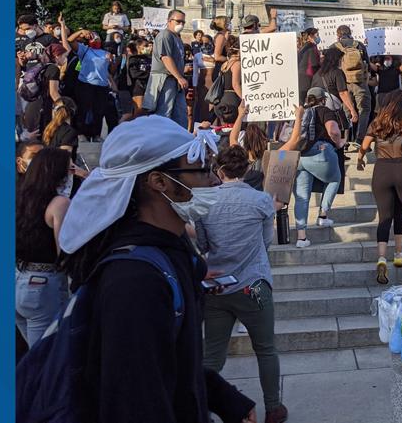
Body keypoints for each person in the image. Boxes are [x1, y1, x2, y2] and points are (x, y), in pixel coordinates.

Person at [52, 116, 257, 423]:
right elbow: (134, 401)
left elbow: (169, 360)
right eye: (201, 170)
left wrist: (223, 398)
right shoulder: (135, 281)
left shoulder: (170, 252)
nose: (214, 180)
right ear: (159, 182)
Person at [196, 146, 288, 423]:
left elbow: (202, 245)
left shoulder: (206, 202)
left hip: (216, 287)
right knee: (266, 348)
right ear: (246, 170)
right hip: (254, 285)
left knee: (212, 354)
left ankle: (198, 404)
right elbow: (266, 241)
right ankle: (273, 407)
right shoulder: (260, 201)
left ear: (219, 171)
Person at [357, 94, 402, 283]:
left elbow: (364, 145)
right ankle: (398, 254)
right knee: (399, 212)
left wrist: (359, 159)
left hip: (381, 171)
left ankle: (381, 258)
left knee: (384, 216)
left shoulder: (376, 123)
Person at [16, 147, 73, 347]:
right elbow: (64, 250)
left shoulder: (21, 195)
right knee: (45, 358)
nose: (71, 173)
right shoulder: (59, 203)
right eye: (69, 169)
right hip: (43, 285)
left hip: (18, 279)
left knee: (34, 356)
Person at [289, 88, 345, 247]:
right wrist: (339, 142)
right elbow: (333, 130)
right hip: (321, 153)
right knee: (335, 179)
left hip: (301, 156)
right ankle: (323, 216)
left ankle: (301, 237)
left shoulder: (302, 112)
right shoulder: (324, 110)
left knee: (301, 197)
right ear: (323, 99)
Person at [144, 9, 190, 128]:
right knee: (164, 113)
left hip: (175, 80)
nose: (181, 25)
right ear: (169, 21)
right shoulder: (165, 35)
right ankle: (160, 142)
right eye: (178, 21)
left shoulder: (177, 38)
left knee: (180, 115)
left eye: (183, 22)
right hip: (165, 78)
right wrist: (179, 77)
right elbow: (166, 58)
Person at [334, 25, 371, 147]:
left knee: (346, 110)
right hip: (360, 82)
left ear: (338, 34)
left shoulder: (335, 46)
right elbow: (367, 63)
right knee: (364, 110)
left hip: (343, 83)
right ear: (350, 33)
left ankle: (345, 139)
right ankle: (359, 139)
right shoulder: (359, 45)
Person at [296, 28, 322, 94]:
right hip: (308, 76)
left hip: (301, 75)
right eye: (317, 35)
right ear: (310, 36)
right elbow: (314, 63)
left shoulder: (304, 46)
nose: (318, 37)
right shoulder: (312, 46)